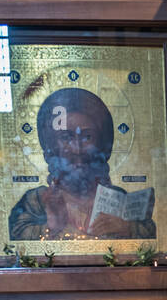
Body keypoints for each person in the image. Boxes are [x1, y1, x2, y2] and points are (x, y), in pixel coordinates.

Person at [8, 87, 156, 241]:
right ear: (52, 145)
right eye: (66, 137)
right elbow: (17, 237)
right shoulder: (36, 201)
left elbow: (150, 236)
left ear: (101, 142)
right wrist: (50, 227)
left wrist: (127, 228)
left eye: (87, 137)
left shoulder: (117, 198)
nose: (77, 149)